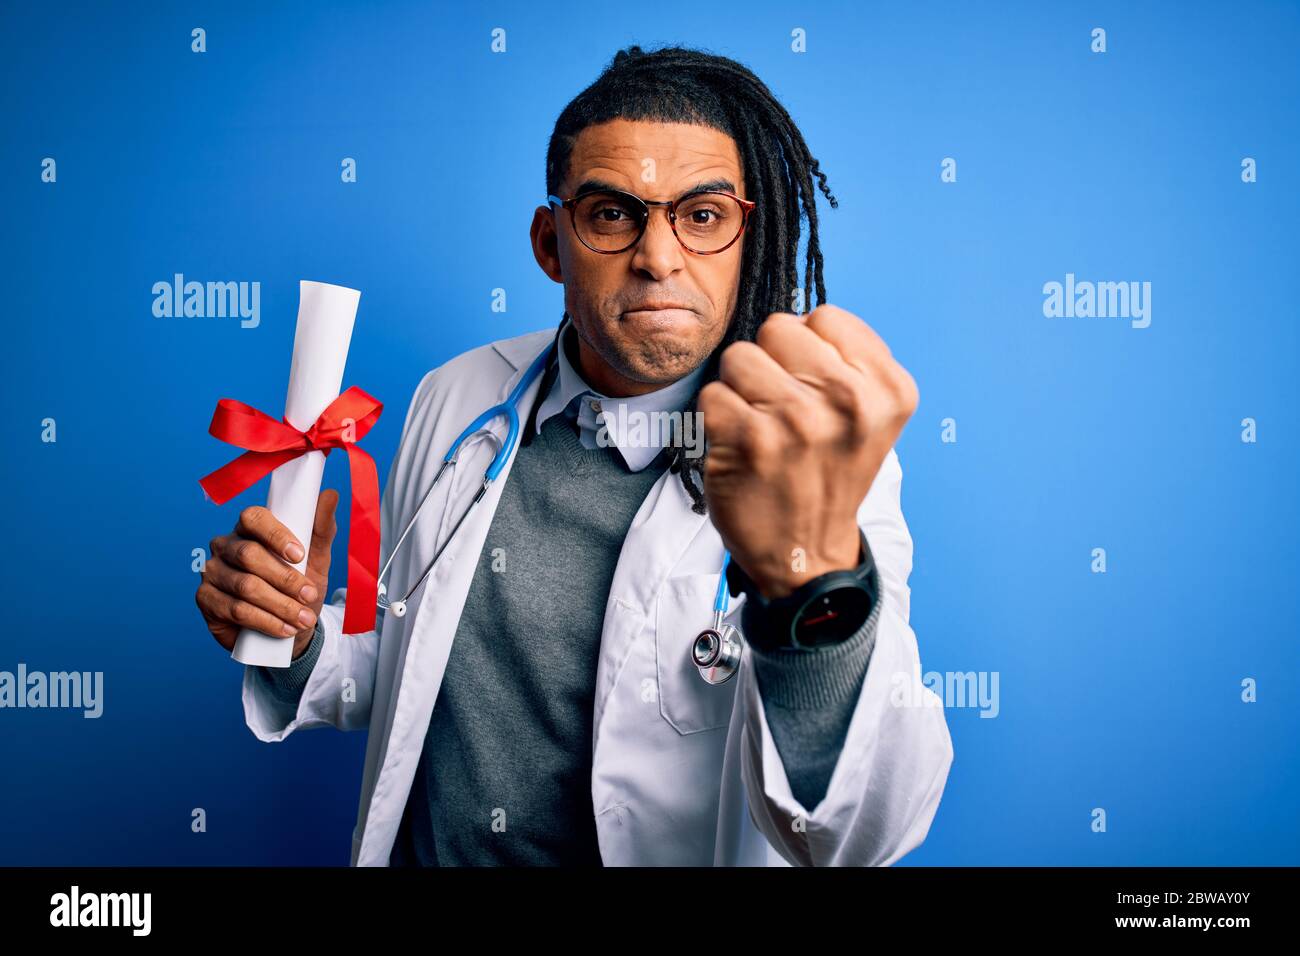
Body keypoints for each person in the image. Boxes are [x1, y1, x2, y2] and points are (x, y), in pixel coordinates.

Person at [194, 44, 953, 866]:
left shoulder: (812, 459)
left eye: (701, 215)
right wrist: (296, 633)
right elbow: (412, 673)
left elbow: (860, 832)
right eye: (612, 214)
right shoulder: (453, 399)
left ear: (743, 239)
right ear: (551, 243)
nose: (658, 258)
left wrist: (809, 585)